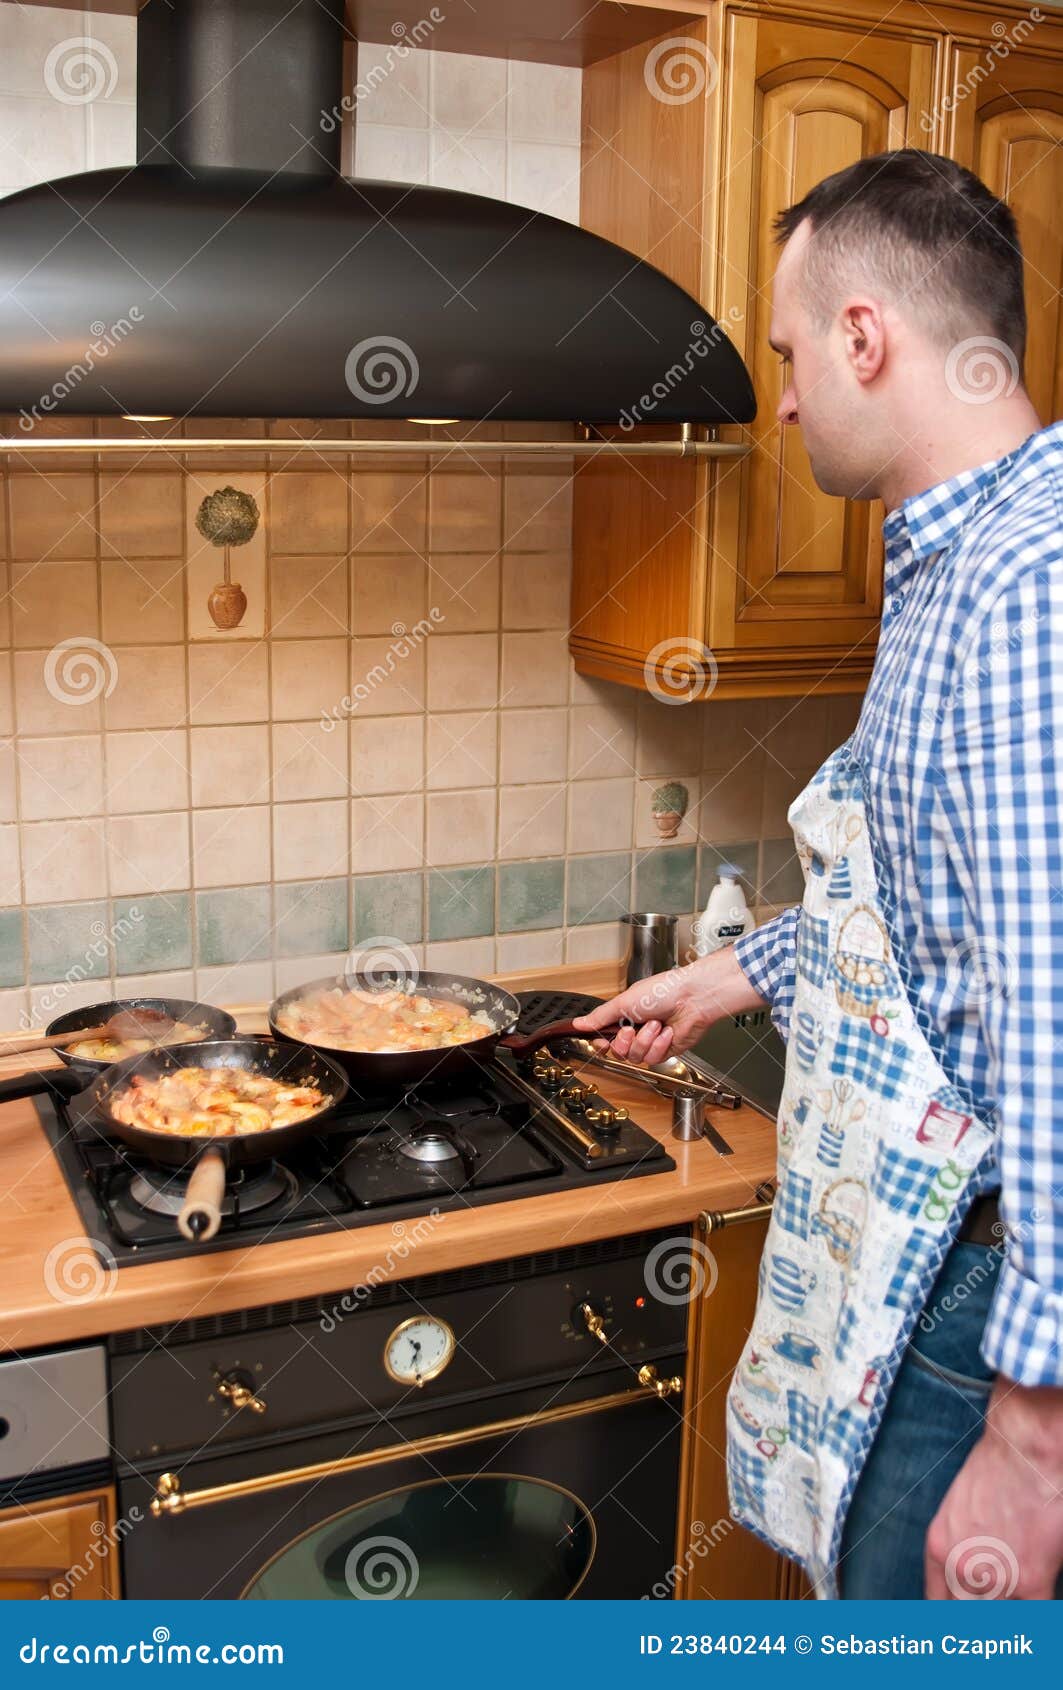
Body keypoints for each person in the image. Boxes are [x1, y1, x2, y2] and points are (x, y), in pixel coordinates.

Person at [575, 149, 1063, 1600]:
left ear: (865, 336)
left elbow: (1056, 1023)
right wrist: (732, 972)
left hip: (984, 1308)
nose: (781, 398)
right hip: (950, 1289)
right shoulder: (960, 566)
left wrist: (1035, 1441)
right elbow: (939, 917)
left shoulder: (1024, 594)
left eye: (790, 354)